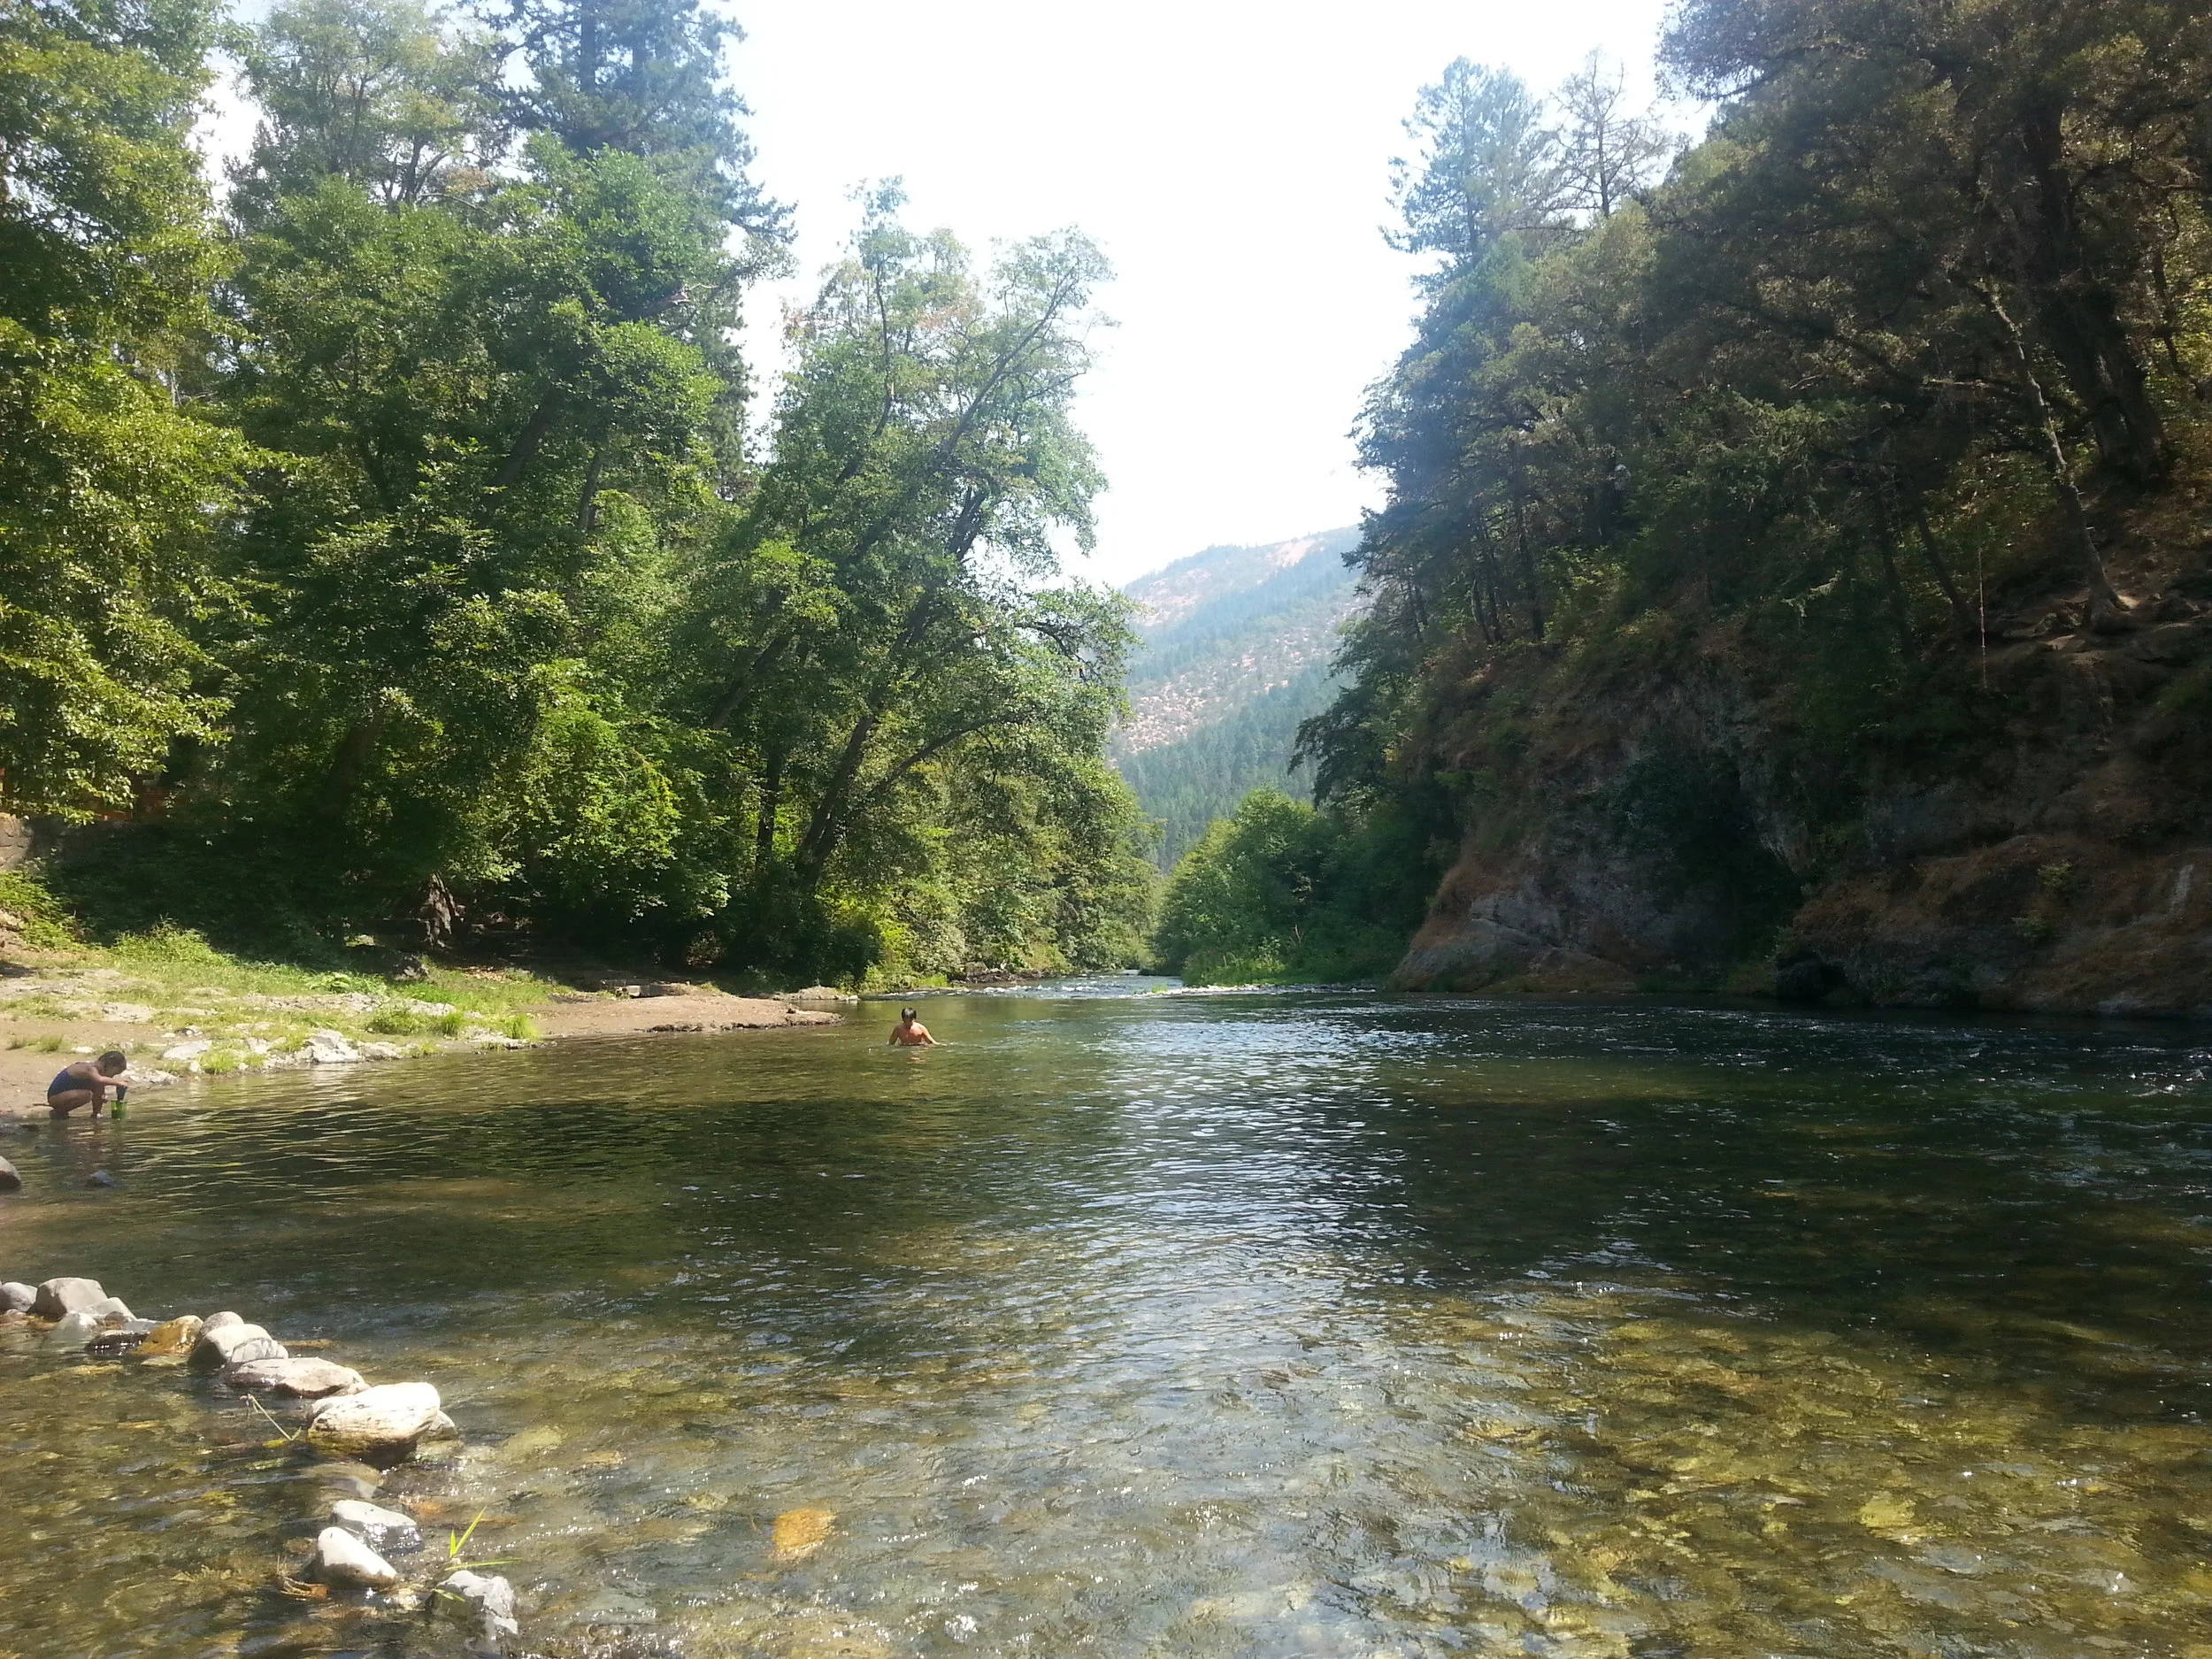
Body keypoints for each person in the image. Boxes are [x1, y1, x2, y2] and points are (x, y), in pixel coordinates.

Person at [48, 1051, 128, 1118]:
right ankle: (58, 1112)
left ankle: (96, 1114)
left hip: (67, 1095)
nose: (112, 1076)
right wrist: (118, 1083)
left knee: (99, 1088)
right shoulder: (90, 1068)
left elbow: (99, 1089)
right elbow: (100, 1079)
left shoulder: (97, 1074)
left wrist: (100, 1098)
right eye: (114, 1073)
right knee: (87, 1095)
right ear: (110, 1066)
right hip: (55, 1097)